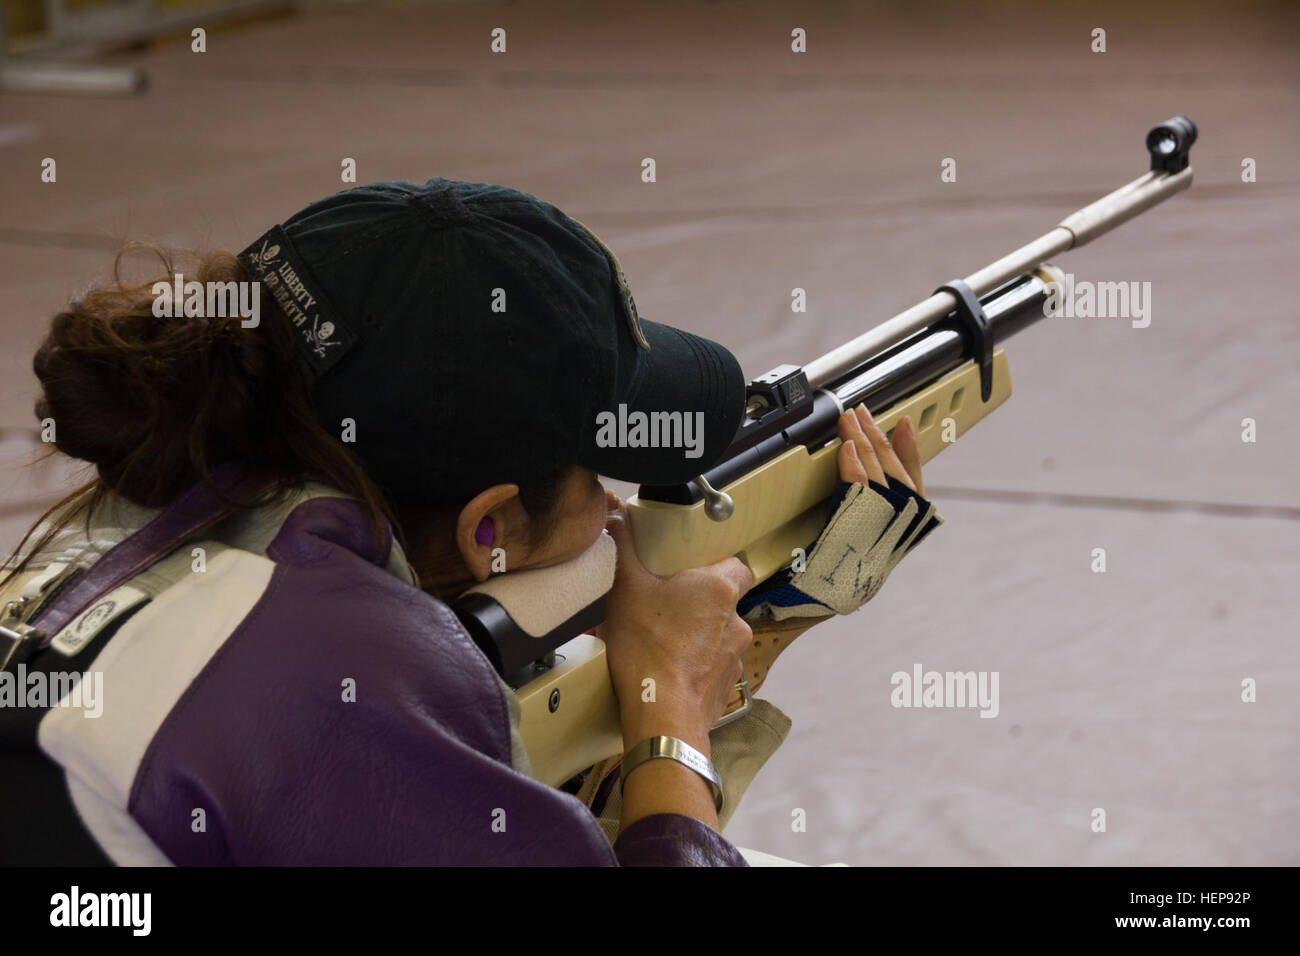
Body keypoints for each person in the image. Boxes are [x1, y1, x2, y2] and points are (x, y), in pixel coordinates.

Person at [0, 177, 937, 865]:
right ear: (490, 524)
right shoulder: (355, 669)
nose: (617, 508)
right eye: (598, 476)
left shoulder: (149, 506)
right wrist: (669, 705)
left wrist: (785, 605)